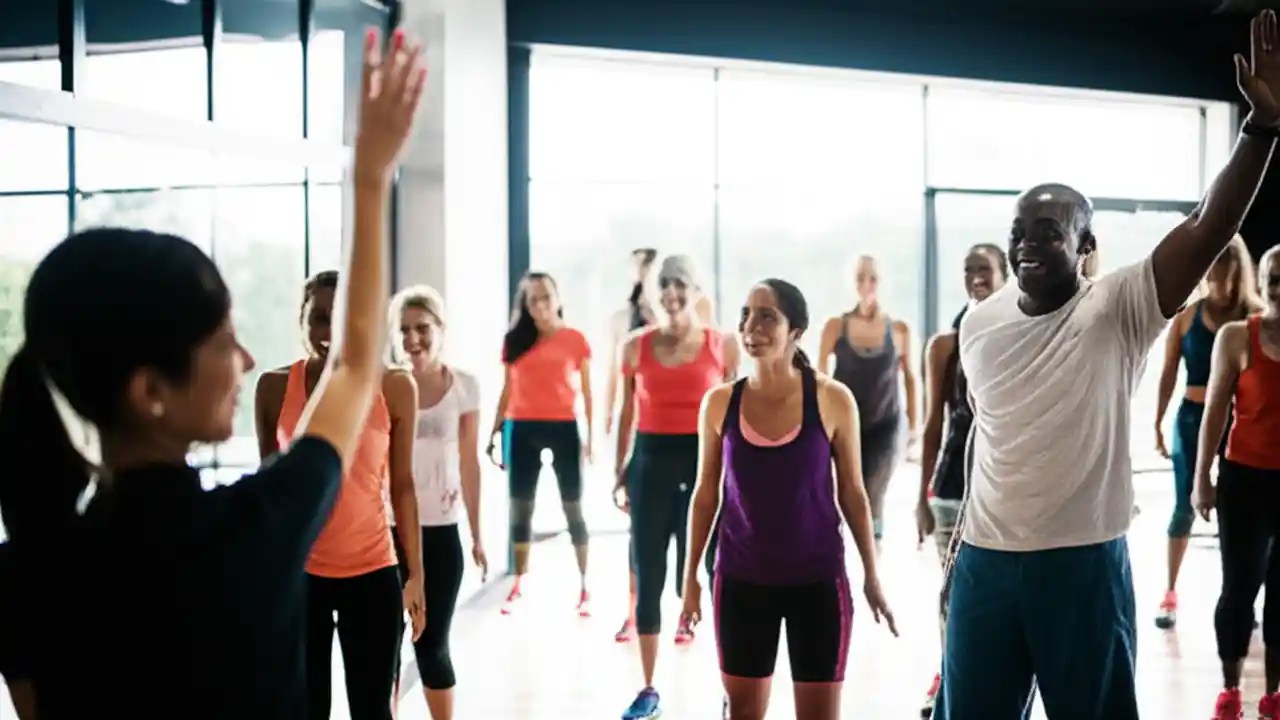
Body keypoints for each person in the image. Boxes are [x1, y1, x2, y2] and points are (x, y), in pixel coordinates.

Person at [0, 28, 425, 718]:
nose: (247, 359)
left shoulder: (28, 575)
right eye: (224, 339)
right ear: (150, 392)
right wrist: (370, 178)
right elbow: (353, 366)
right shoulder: (256, 530)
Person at [934, 13, 1280, 718]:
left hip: (1082, 561)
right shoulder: (979, 322)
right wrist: (958, 554)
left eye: (1047, 233)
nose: (1027, 245)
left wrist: (1261, 131)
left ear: (1084, 242)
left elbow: (1206, 226)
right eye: (1018, 232)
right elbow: (986, 437)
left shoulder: (1119, 306)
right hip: (986, 562)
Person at [682, 278, 897, 720]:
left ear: (796, 330)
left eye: (767, 316)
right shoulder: (720, 402)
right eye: (746, 314)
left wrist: (872, 575)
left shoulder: (833, 400)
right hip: (741, 580)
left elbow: (853, 493)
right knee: (743, 713)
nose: (751, 326)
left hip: (817, 582)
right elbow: (706, 494)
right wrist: (690, 580)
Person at [256, 269, 425, 720]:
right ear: (303, 322)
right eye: (320, 318)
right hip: (300, 575)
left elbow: (403, 486)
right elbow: (269, 491)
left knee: (373, 710)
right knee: (305, 709)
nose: (331, 332)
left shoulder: (395, 385)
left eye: (344, 318)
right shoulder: (273, 388)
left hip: (372, 571)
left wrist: (416, 576)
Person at [612, 256, 738, 720]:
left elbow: (733, 413)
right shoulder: (634, 347)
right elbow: (625, 415)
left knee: (713, 572)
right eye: (663, 284)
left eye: (680, 284)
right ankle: (648, 689)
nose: (671, 293)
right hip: (649, 464)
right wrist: (618, 469)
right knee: (649, 573)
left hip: (704, 465)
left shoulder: (721, 345)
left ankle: (731, 686)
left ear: (696, 289)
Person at [915, 243, 1008, 718]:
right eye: (968, 268)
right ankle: (948, 671)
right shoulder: (944, 345)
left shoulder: (1019, 335)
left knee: (992, 602)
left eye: (985, 269)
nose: (976, 277)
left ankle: (975, 678)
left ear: (1004, 275)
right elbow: (934, 423)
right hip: (952, 486)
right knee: (953, 591)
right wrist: (921, 497)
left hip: (1004, 490)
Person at [387, 284, 488, 720]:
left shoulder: (463, 385)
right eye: (404, 329)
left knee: (431, 645)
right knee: (385, 647)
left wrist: (479, 535)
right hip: (387, 531)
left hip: (442, 530)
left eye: (422, 328)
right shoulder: (387, 385)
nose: (413, 339)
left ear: (440, 329)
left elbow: (470, 463)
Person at [1152, 237, 1260, 630]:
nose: (1220, 283)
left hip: (1241, 421)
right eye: (1213, 274)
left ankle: (1240, 597)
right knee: (1184, 504)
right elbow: (1167, 373)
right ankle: (1169, 592)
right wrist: (1157, 423)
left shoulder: (1254, 316)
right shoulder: (1186, 317)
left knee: (1241, 512)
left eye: (1227, 274)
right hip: (1191, 417)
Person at [1194, 244, 1280, 720]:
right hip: (1244, 481)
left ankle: (1273, 694)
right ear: (1262, 283)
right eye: (1275, 279)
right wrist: (1200, 480)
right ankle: (1230, 689)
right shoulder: (1236, 337)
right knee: (1239, 589)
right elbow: (1213, 413)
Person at [487, 271, 594, 616]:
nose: (541, 305)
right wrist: (494, 430)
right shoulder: (515, 340)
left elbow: (588, 392)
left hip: (563, 426)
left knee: (573, 507)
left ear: (558, 297)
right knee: (521, 508)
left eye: (546, 297)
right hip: (522, 428)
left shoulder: (575, 339)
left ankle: (583, 583)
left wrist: (591, 437)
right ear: (526, 305)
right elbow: (506, 388)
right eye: (533, 300)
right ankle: (518, 581)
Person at [818, 255, 918, 540]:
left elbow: (910, 378)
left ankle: (873, 562)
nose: (866, 284)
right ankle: (837, 563)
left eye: (872, 278)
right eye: (860, 278)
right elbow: (820, 378)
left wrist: (914, 427)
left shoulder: (899, 329)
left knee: (874, 499)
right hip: (844, 427)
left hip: (884, 425)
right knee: (842, 497)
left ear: (882, 283)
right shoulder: (835, 327)